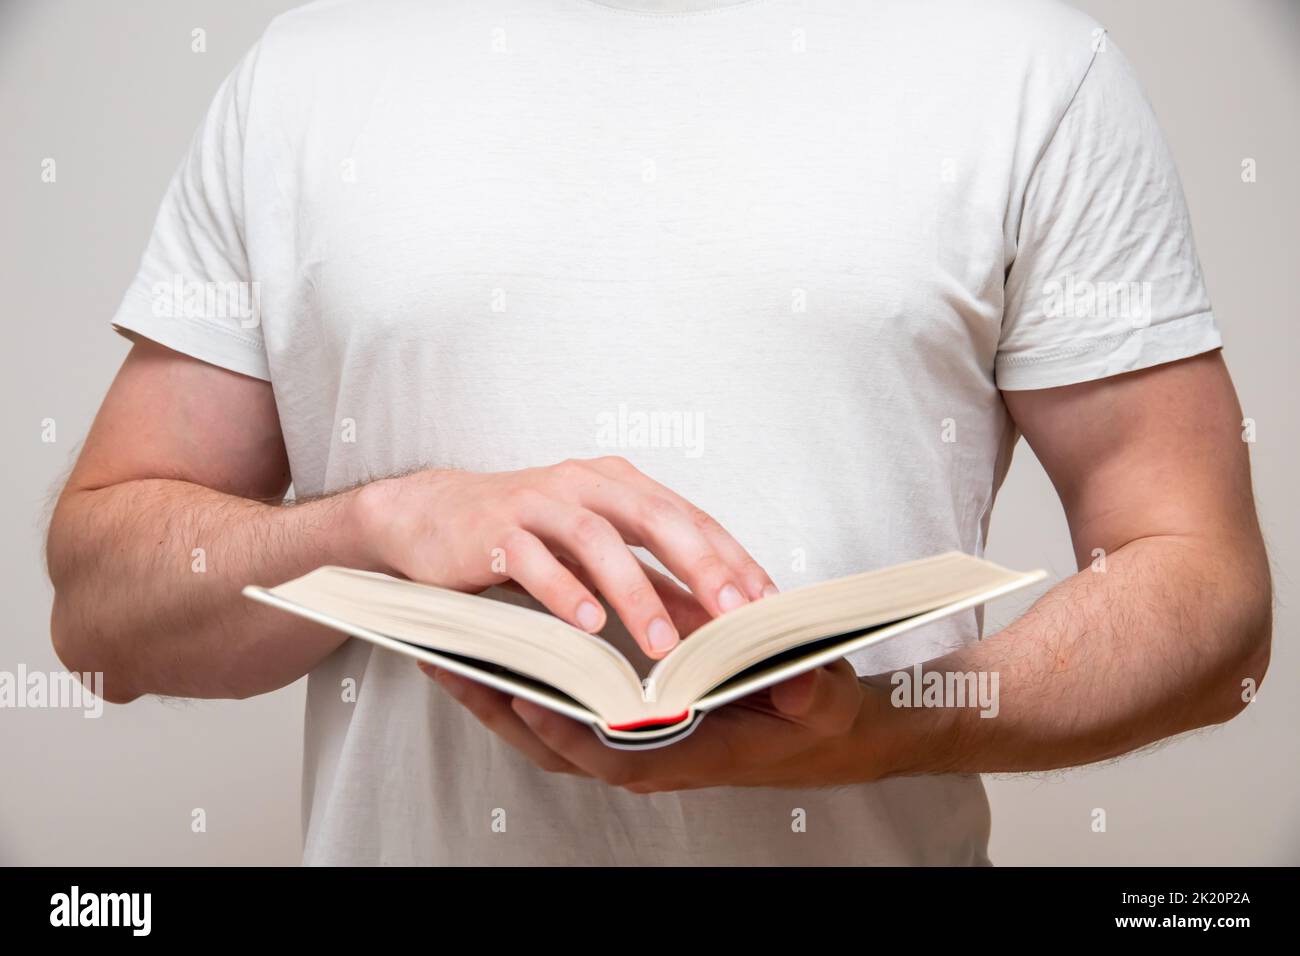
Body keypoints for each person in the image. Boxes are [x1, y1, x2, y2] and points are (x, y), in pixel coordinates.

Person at [47, 0, 1271, 865]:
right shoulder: (302, 73)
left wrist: (886, 729)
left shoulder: (1032, 66)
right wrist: (373, 523)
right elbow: (102, 617)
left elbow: (1205, 592)